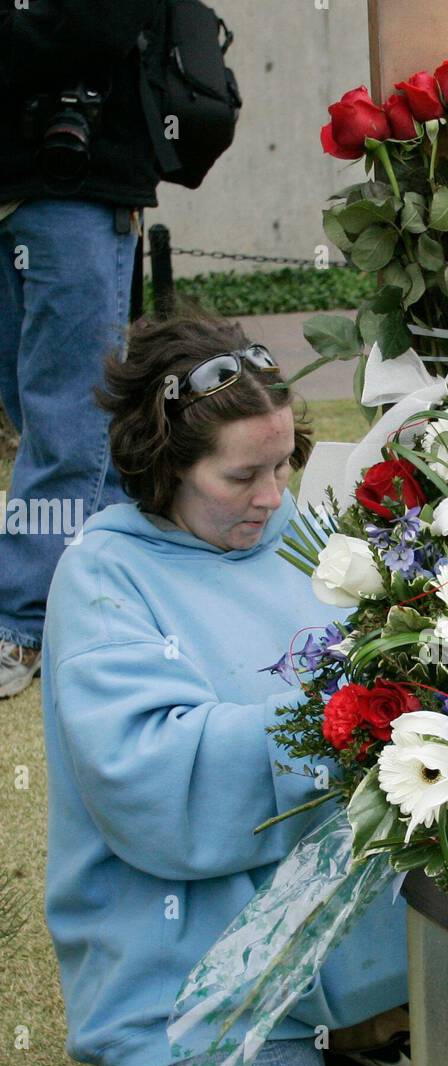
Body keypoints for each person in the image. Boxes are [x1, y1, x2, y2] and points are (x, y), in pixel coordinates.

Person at [42, 310, 409, 1066]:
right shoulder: (103, 578)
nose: (272, 496)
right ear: (163, 466)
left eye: (285, 463)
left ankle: (367, 1024)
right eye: (241, 477)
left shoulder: (300, 534)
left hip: (341, 916)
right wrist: (339, 715)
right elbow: (153, 784)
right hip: (197, 955)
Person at [0, 0, 165, 697]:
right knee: (38, 410)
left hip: (77, 181)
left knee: (67, 420)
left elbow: (98, 26)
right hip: (17, 177)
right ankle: (135, 581)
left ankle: (21, 623)